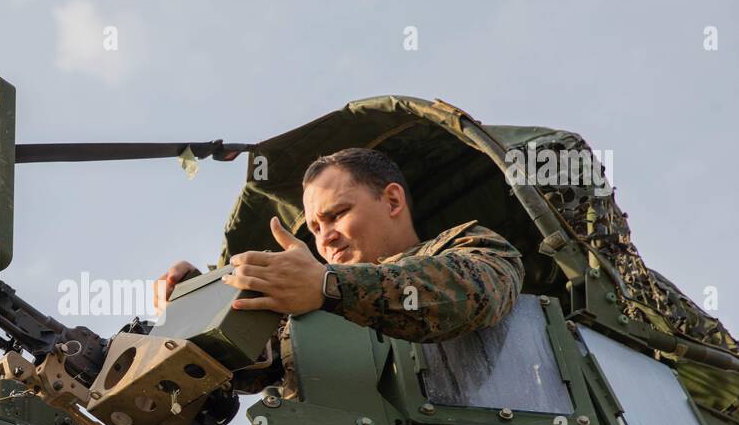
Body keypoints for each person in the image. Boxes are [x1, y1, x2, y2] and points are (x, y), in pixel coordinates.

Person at [155, 147, 524, 345]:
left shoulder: (472, 246)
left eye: (337, 215)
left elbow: (474, 294)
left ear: (392, 201)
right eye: (315, 227)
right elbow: (243, 371)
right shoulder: (299, 311)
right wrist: (195, 298)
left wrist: (328, 287)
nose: (324, 237)